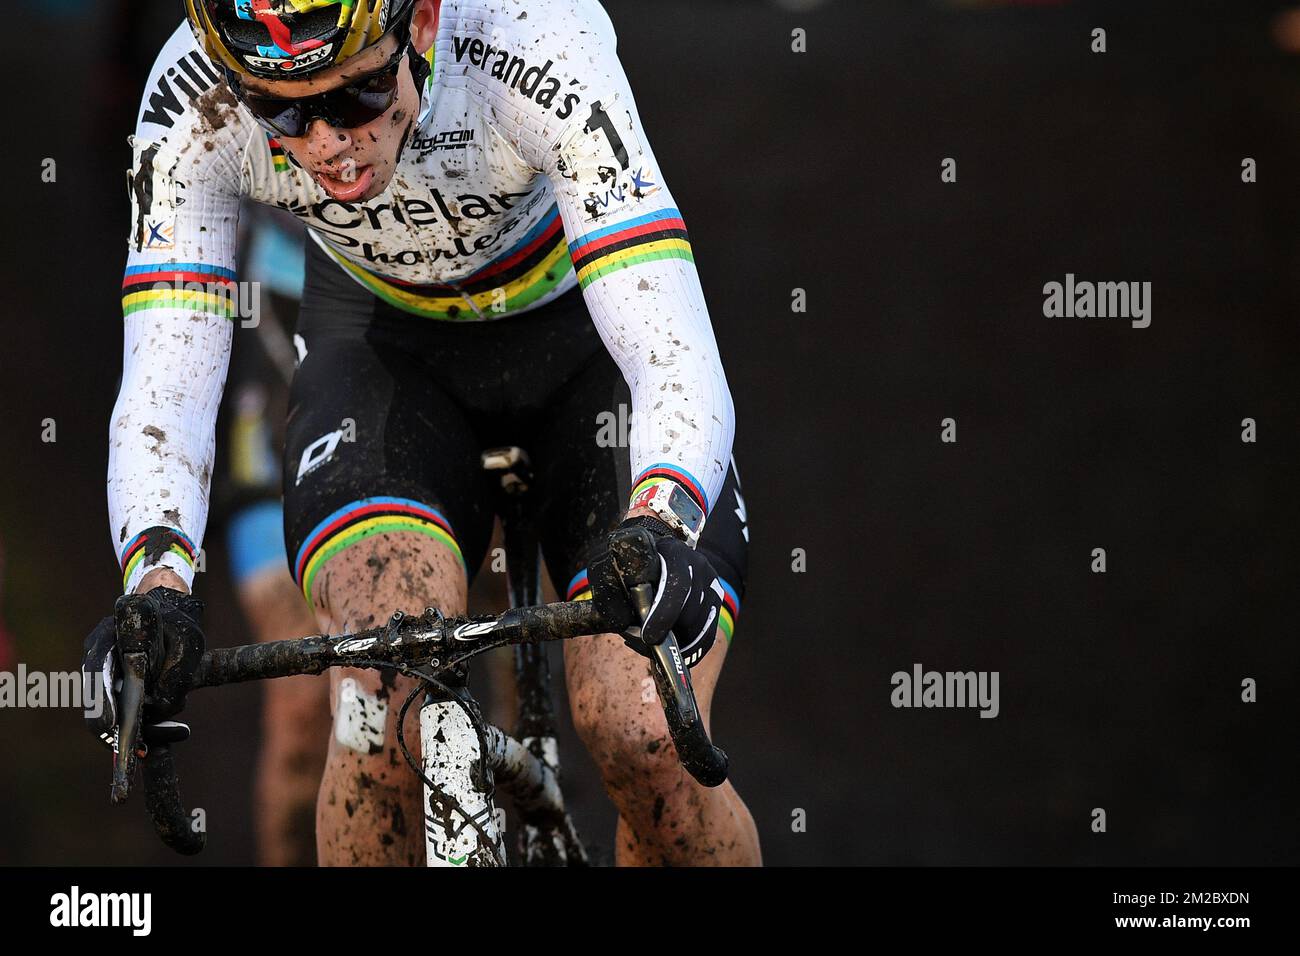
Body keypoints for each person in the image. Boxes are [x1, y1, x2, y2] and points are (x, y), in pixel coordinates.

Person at [102, 0, 757, 866]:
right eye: (286, 113)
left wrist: (664, 520)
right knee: (377, 709)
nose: (330, 142)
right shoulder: (193, 98)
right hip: (383, 354)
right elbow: (166, 378)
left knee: (642, 730)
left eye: (360, 98)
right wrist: (157, 581)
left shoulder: (532, 36)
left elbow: (669, 341)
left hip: (586, 349)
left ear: (421, 24)